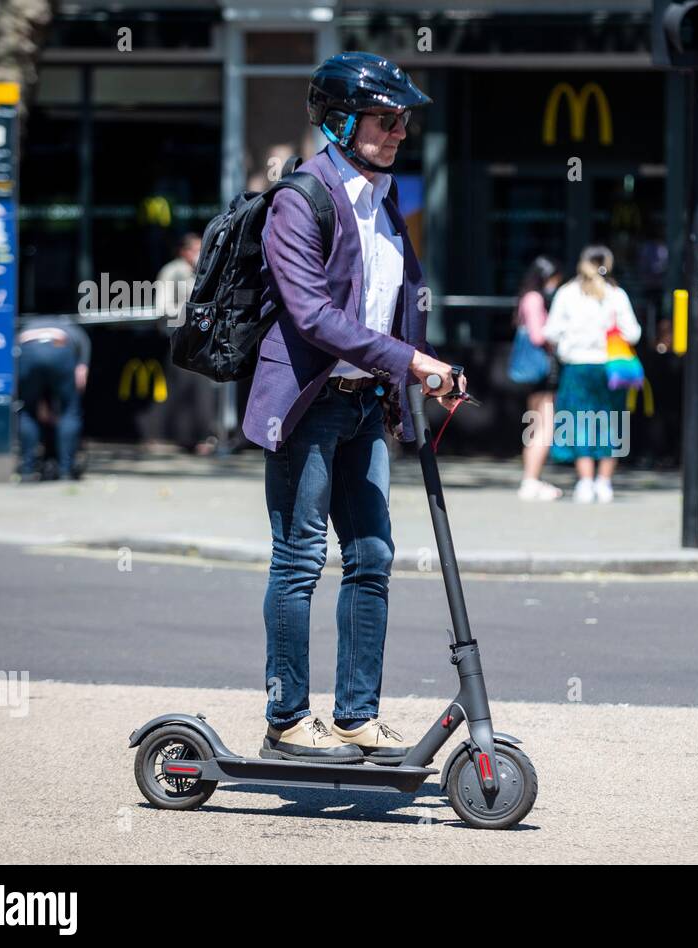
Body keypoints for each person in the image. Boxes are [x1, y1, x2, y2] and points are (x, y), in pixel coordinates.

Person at [240, 52, 459, 762]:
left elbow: (395, 305)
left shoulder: (387, 200)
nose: (400, 131)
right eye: (386, 118)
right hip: (305, 405)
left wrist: (412, 382)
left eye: (405, 120)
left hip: (364, 403)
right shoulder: (299, 200)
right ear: (340, 121)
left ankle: (357, 716)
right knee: (300, 558)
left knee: (372, 557)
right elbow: (314, 316)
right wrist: (410, 361)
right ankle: (286, 716)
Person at [543, 244, 641, 503]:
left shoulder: (566, 293)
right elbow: (634, 333)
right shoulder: (616, 294)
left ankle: (585, 482)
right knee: (611, 423)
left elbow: (550, 331)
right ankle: (604, 483)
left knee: (579, 423)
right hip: (610, 368)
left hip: (576, 367)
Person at [155, 233, 218, 455]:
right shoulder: (171, 272)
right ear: (184, 251)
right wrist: (191, 314)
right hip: (180, 338)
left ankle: (203, 436)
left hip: (201, 339)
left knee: (202, 388)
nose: (200, 254)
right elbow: (162, 307)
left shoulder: (204, 271)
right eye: (196, 249)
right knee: (182, 388)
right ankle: (185, 438)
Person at [514, 255, 565, 501]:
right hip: (540, 370)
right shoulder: (534, 298)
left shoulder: (526, 296)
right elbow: (537, 336)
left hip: (532, 371)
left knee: (536, 425)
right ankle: (531, 479)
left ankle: (531, 478)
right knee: (544, 427)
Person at [15, 316, 91, 481]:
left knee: (27, 410)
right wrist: (82, 365)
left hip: (27, 349)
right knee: (70, 410)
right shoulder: (71, 327)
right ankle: (66, 470)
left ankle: (27, 469)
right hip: (61, 347)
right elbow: (83, 354)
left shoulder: (28, 324)